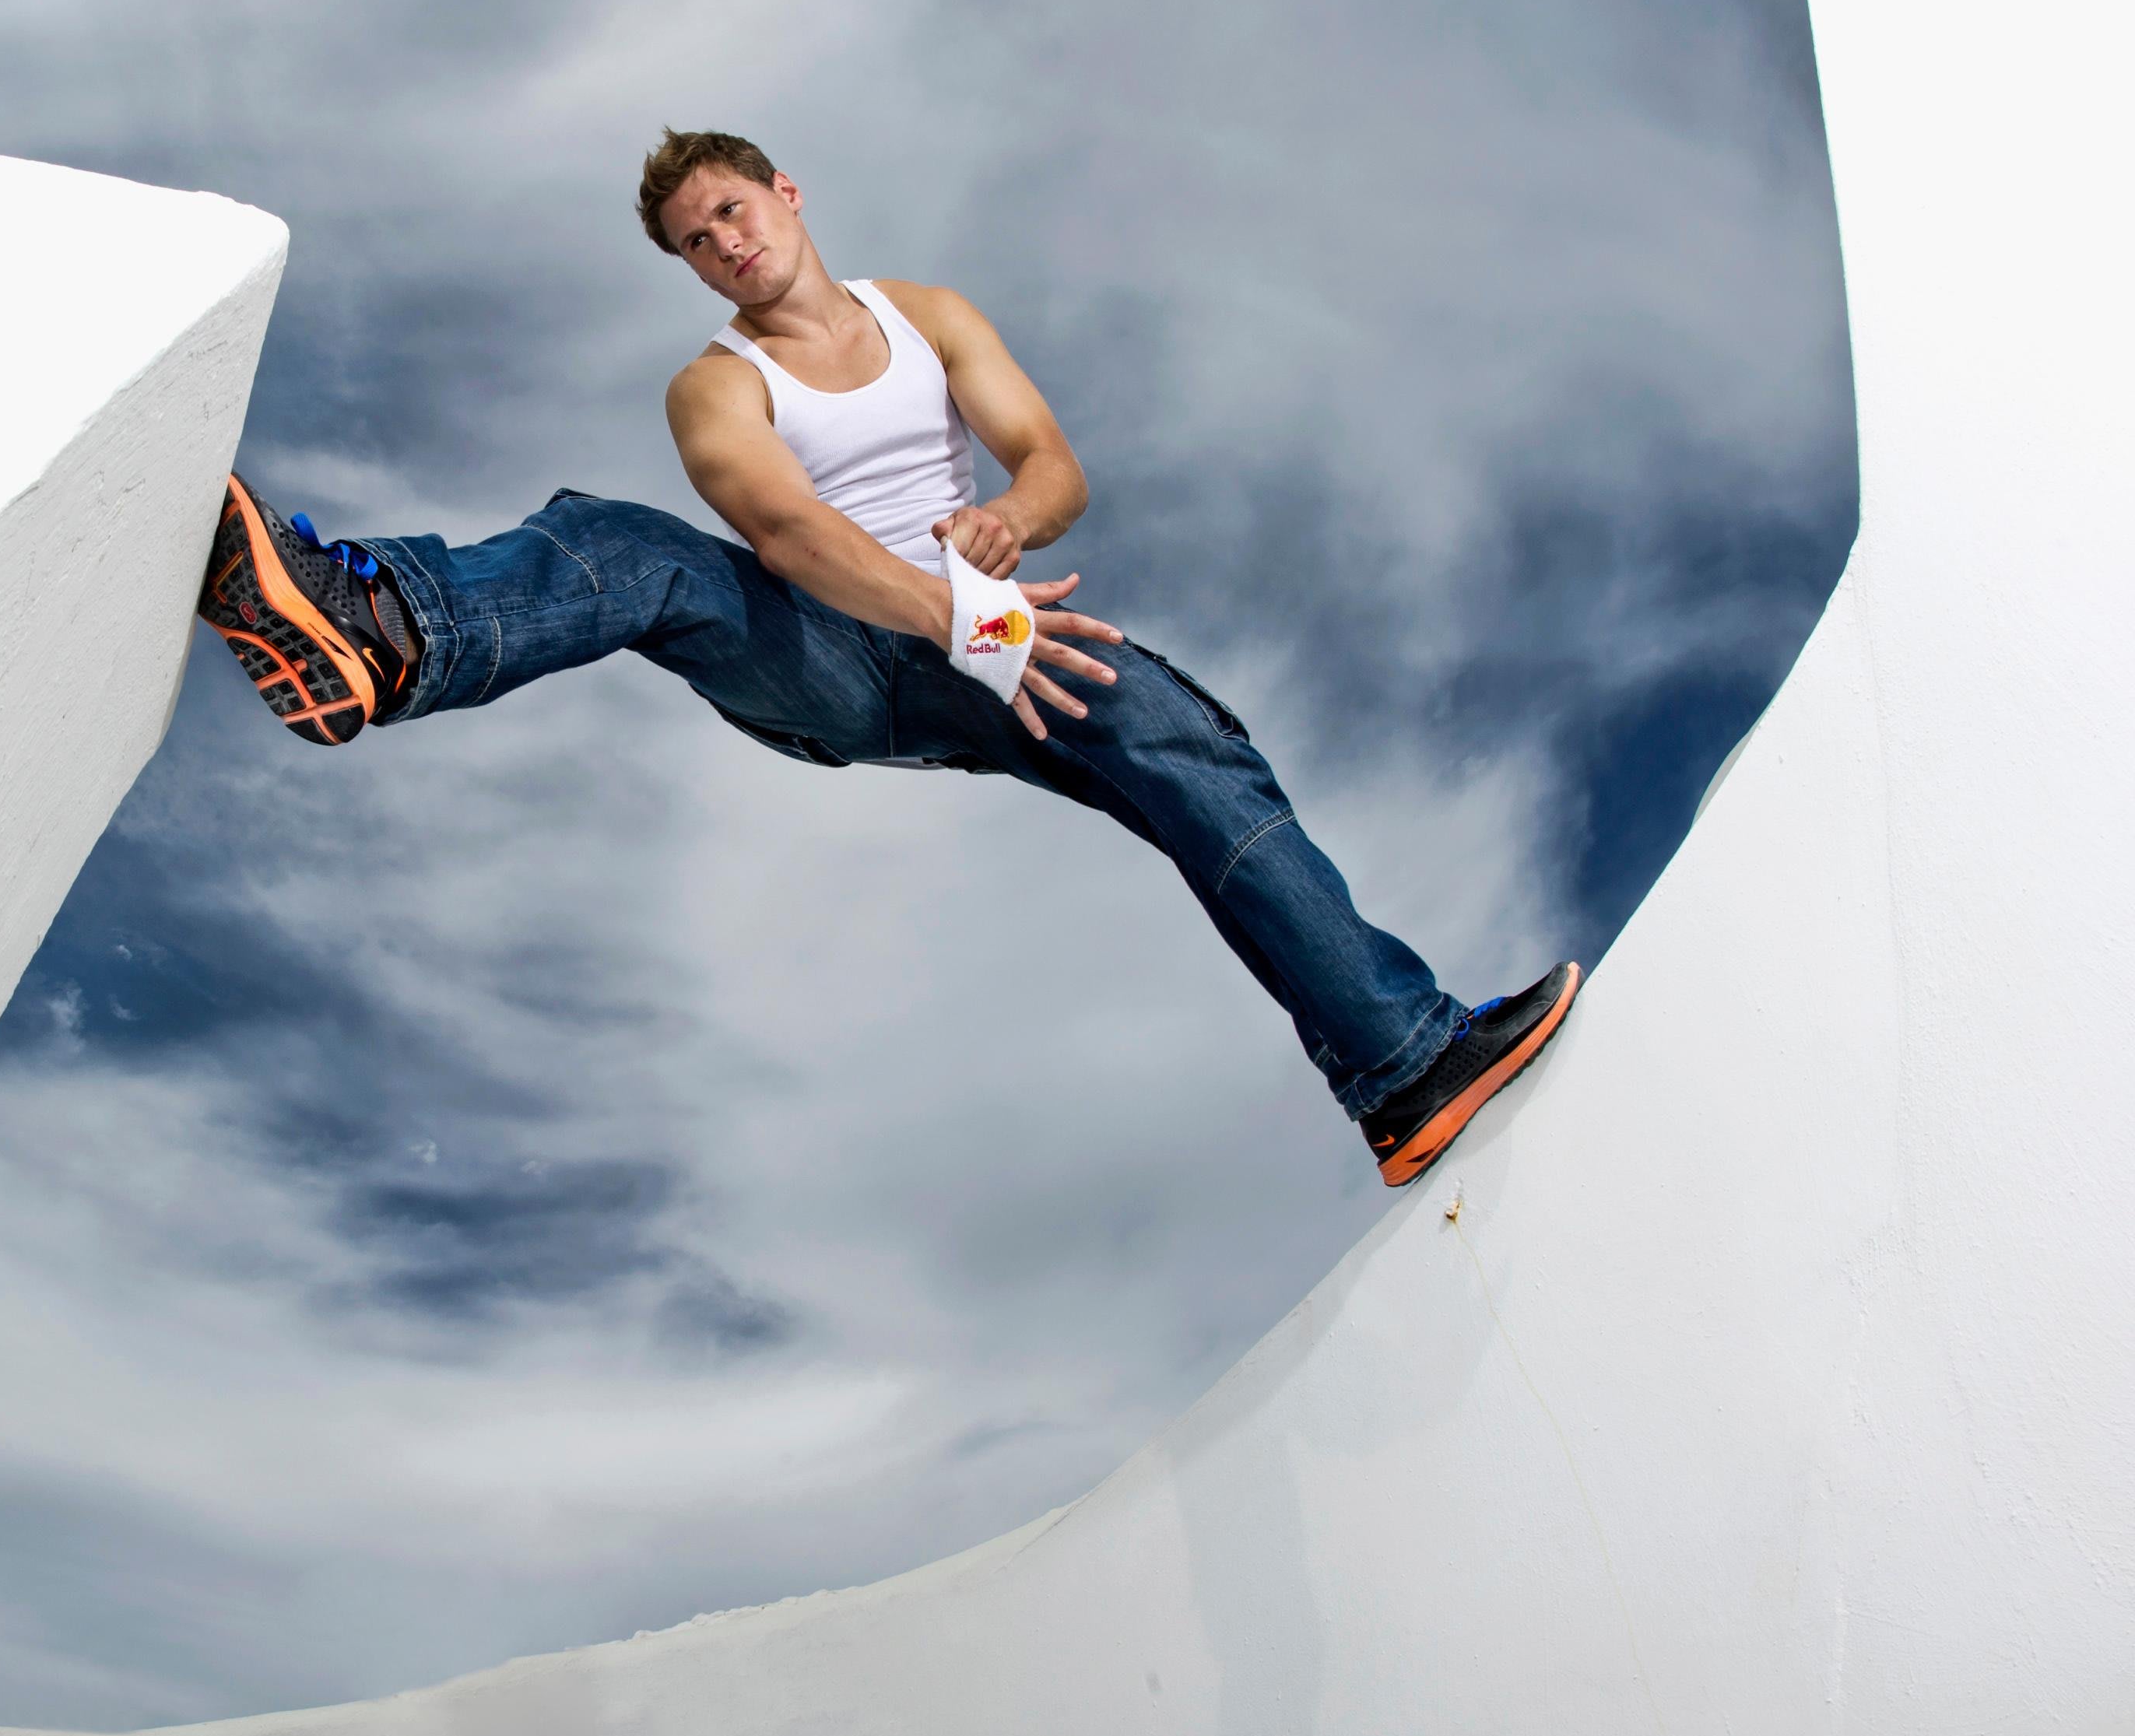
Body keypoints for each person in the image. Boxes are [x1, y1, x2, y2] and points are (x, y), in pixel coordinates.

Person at [194, 128, 1575, 1187]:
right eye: (693, 243)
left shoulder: (930, 315)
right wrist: (953, 612)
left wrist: (1008, 522)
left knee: (1180, 742)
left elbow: (1053, 465)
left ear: (786, 193)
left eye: (731, 211)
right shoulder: (716, 385)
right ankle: (383, 632)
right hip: (830, 653)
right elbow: (785, 532)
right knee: (635, 547)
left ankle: (1404, 1064)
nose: (723, 246)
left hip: (983, 639)